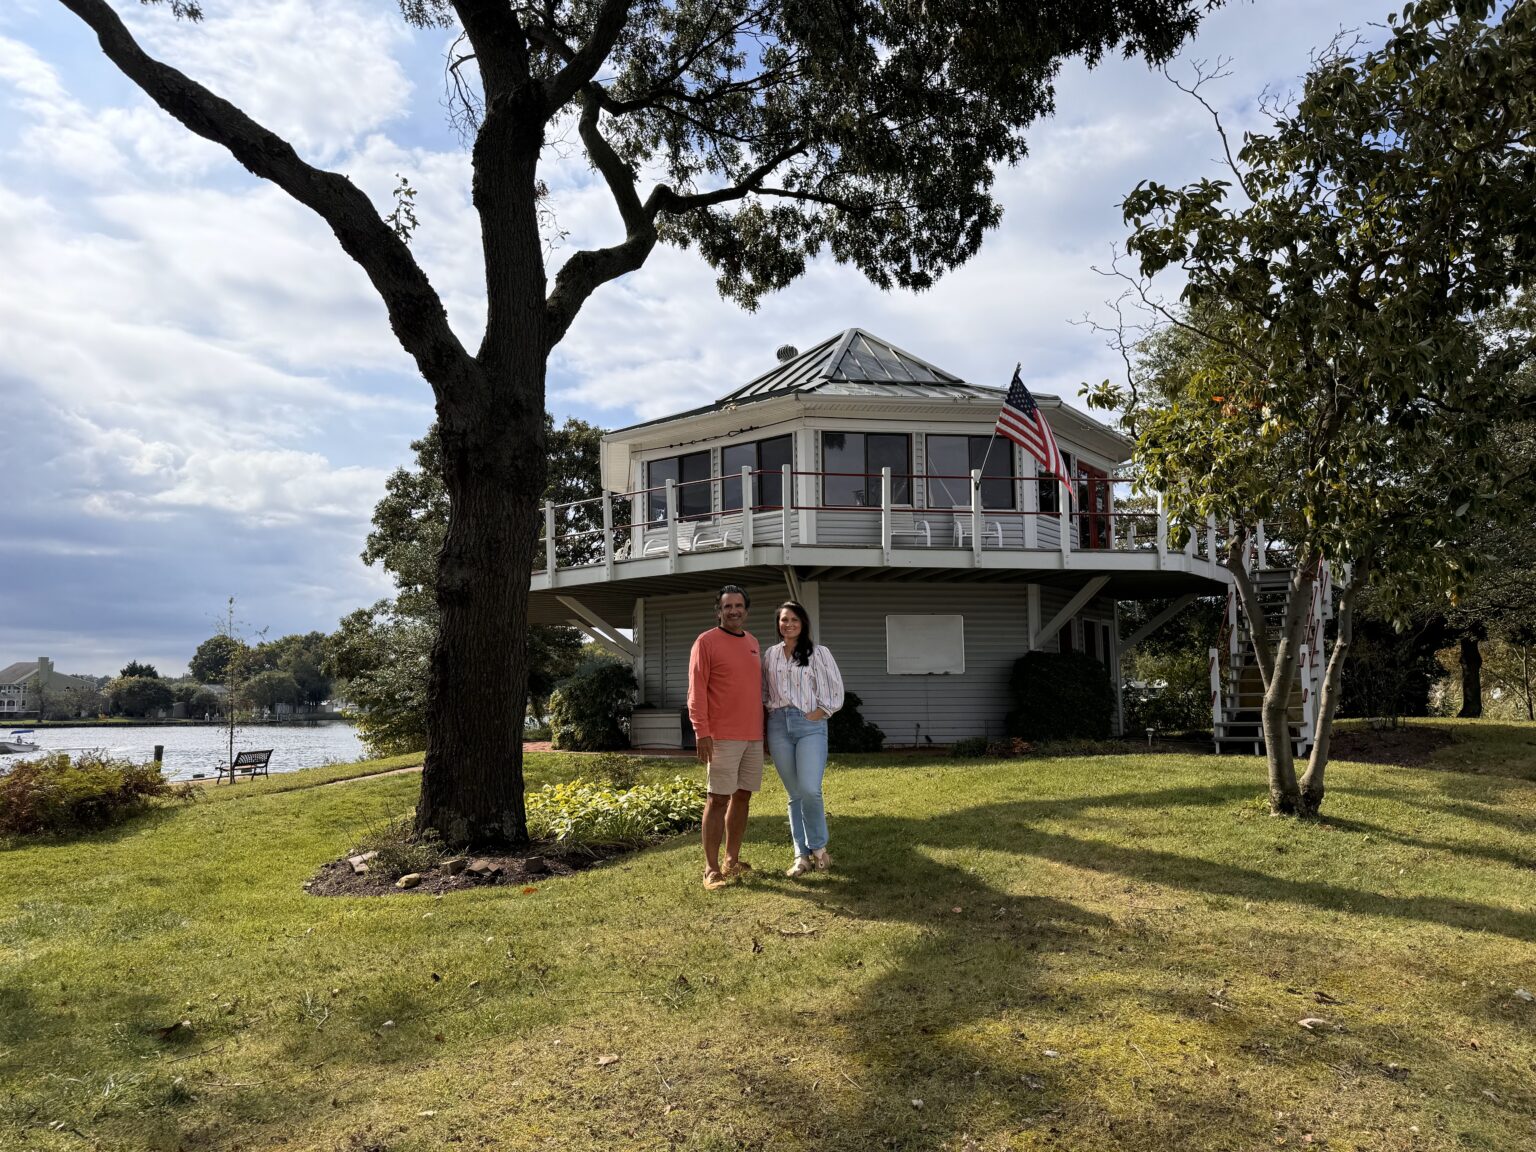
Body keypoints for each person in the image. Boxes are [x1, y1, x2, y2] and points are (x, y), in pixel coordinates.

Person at [688, 585, 764, 891]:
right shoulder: (705, 642)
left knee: (743, 796)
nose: (733, 611)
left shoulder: (753, 642)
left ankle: (732, 860)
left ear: (746, 610)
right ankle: (711, 869)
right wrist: (701, 731)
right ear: (718, 611)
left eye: (739, 606)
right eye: (727, 606)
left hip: (753, 736)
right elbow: (696, 690)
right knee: (717, 799)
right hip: (721, 736)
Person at [762, 600, 844, 878]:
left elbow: (834, 689)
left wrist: (818, 713)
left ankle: (819, 849)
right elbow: (764, 690)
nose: (789, 624)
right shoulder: (770, 655)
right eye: (784, 620)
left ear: (803, 623)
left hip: (809, 725)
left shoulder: (818, 653)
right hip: (777, 725)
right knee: (794, 793)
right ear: (778, 624)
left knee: (810, 788)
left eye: (794, 620)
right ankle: (801, 856)